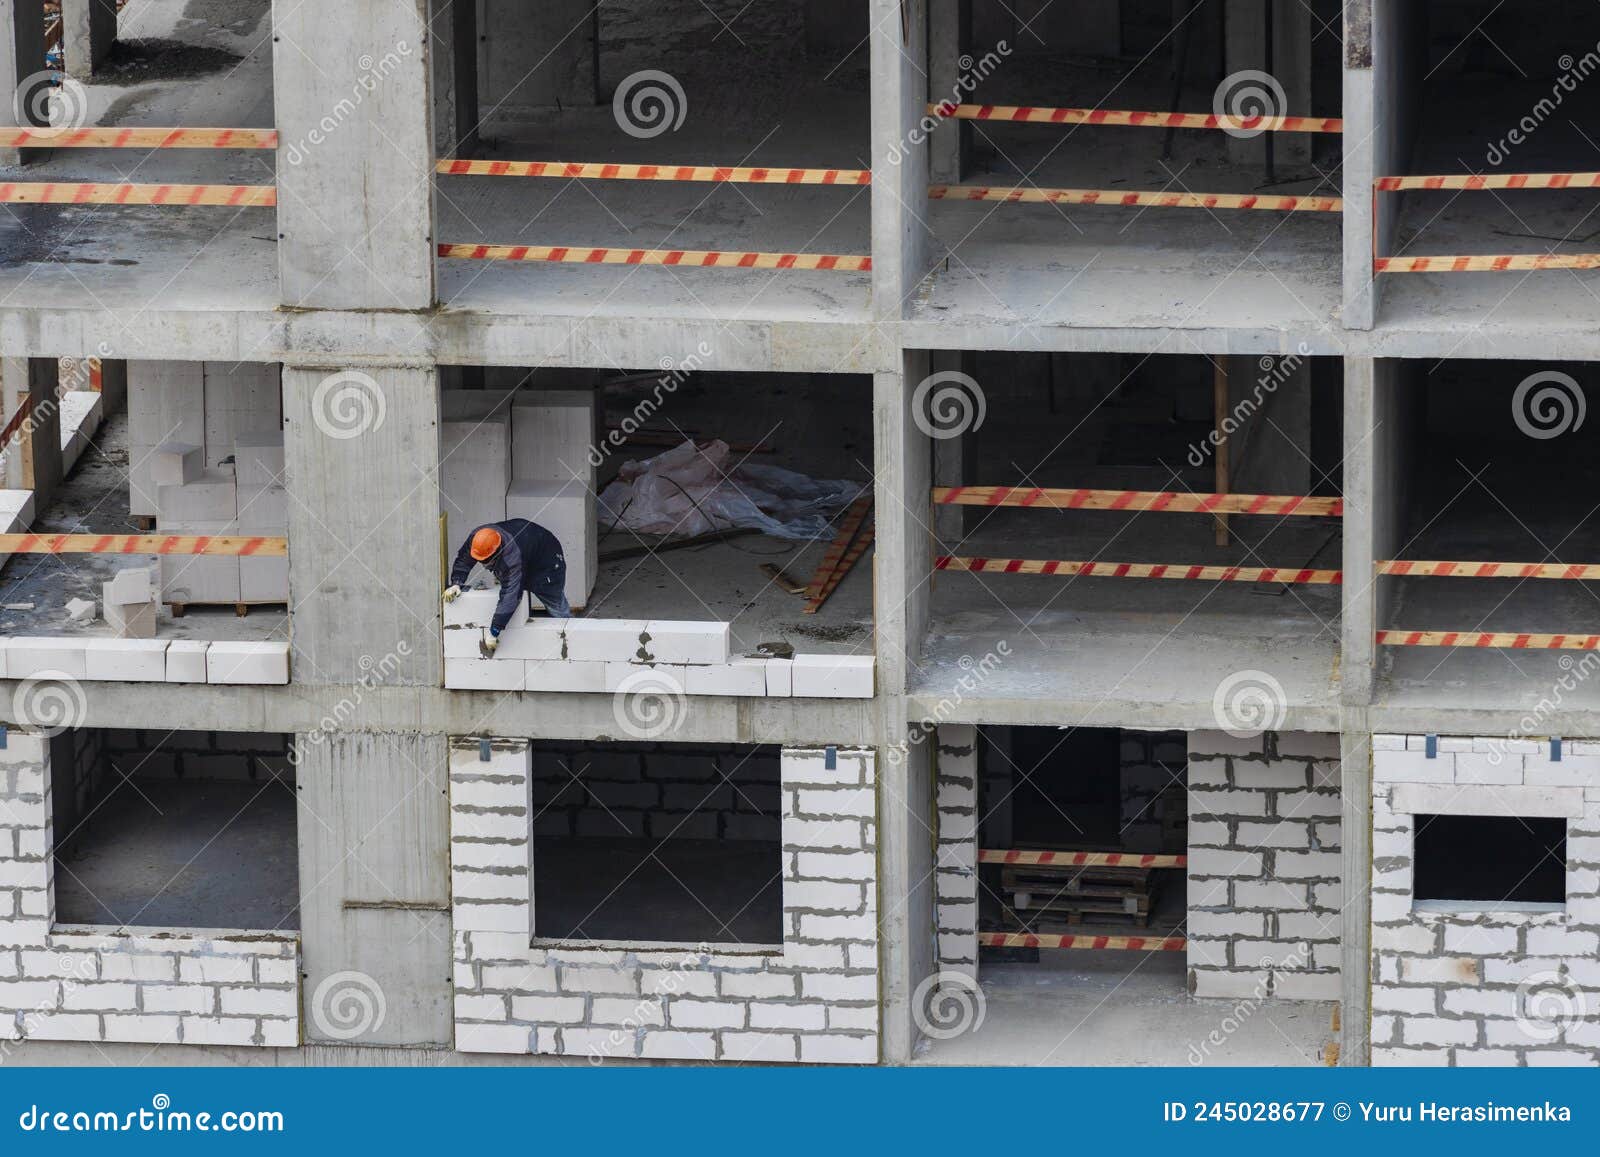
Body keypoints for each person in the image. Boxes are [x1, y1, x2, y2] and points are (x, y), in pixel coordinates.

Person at [442, 519, 570, 653]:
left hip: (547, 560)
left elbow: (511, 595)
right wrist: (456, 583)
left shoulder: (512, 557)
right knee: (514, 584)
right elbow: (464, 560)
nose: (484, 566)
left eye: (487, 561)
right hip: (526, 546)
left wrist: (494, 631)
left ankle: (570, 637)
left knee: (555, 604)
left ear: (498, 551)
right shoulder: (478, 539)